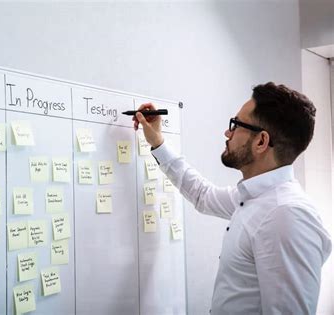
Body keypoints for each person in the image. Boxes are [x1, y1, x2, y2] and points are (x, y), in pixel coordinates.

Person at [134, 82, 332, 315]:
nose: (227, 133)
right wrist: (158, 142)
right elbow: (203, 195)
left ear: (261, 142)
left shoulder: (286, 216)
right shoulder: (254, 199)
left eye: (235, 125)